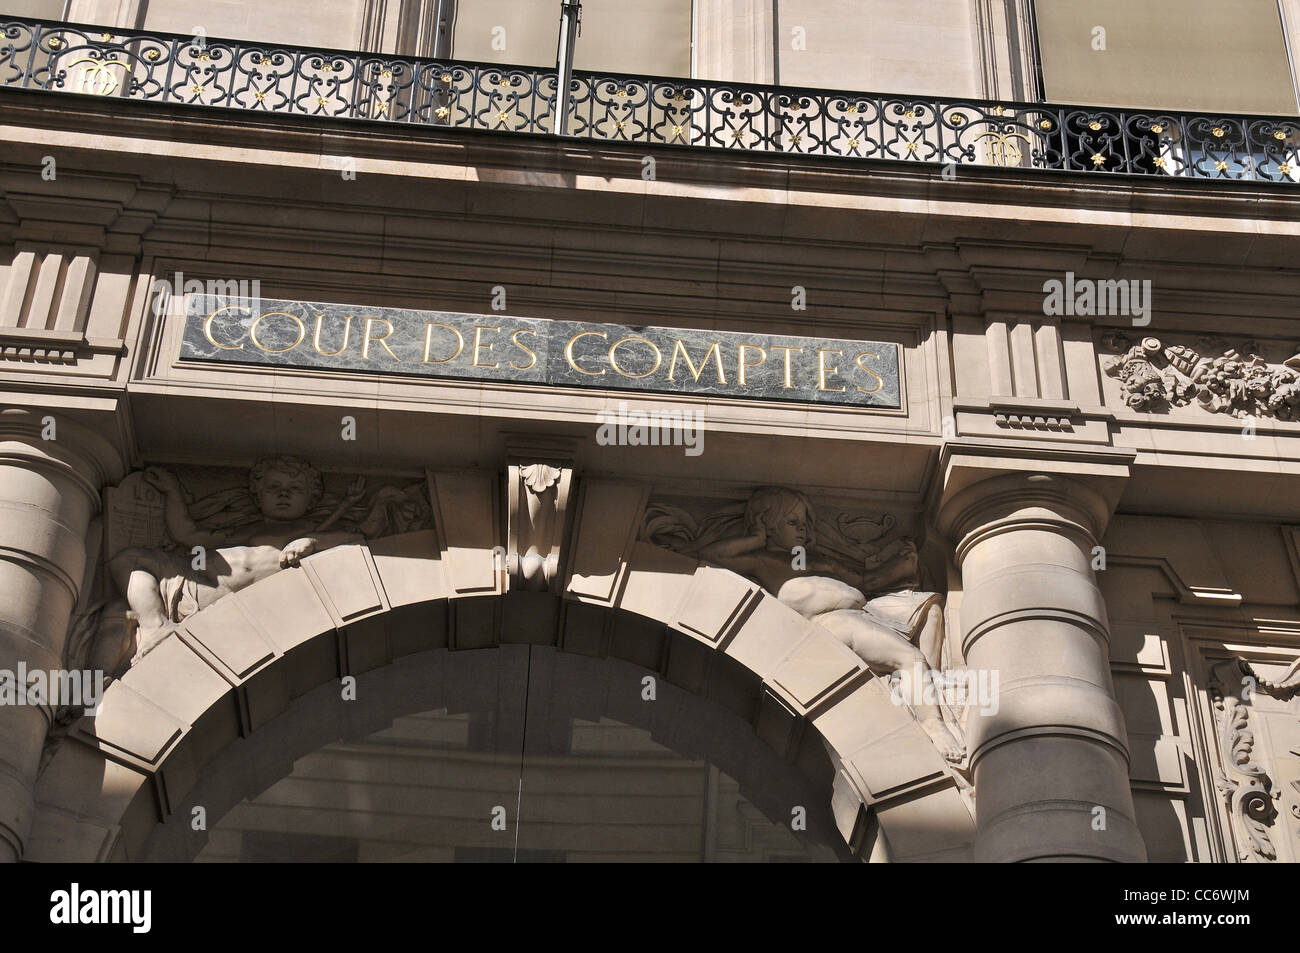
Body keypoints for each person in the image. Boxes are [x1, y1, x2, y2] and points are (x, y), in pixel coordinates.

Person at [697, 486, 964, 762]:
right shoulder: (764, 561)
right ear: (767, 524)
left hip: (867, 614)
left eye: (804, 523)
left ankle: (928, 690)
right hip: (828, 624)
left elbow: (866, 581)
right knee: (910, 657)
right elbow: (713, 555)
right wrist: (755, 538)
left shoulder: (816, 560)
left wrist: (902, 565)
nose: (802, 530)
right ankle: (933, 724)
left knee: (930, 606)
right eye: (792, 522)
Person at [109, 456, 364, 663]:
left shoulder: (309, 531)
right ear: (257, 495)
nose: (283, 495)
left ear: (312, 499)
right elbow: (187, 534)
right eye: (274, 488)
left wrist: (312, 542)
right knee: (127, 568)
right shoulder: (244, 530)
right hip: (190, 583)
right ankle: (153, 629)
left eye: (294, 489)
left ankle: (153, 631)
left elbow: (355, 538)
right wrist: (172, 491)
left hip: (217, 596)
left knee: (127, 580)